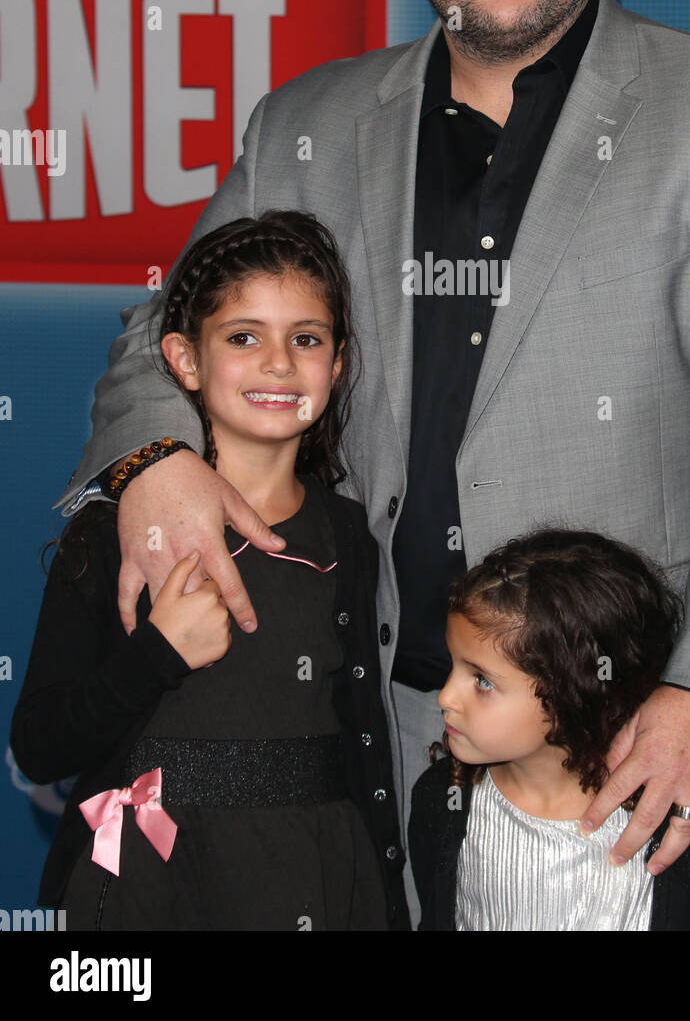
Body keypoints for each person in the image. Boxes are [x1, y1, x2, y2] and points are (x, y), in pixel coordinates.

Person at [58, 0, 690, 926]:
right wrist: (149, 464)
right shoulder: (307, 126)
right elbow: (160, 338)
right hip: (386, 772)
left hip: (649, 760)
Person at [14, 212, 407, 930]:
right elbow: (38, 747)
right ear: (184, 359)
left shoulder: (347, 534)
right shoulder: (118, 533)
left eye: (307, 339)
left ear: (339, 363)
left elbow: (360, 745)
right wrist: (156, 653)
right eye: (243, 337)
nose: (279, 363)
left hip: (313, 882)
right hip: (148, 886)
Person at [409, 529, 690, 931]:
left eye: (482, 681)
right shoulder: (445, 801)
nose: (445, 696)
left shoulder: (660, 810)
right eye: (453, 665)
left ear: (573, 693)